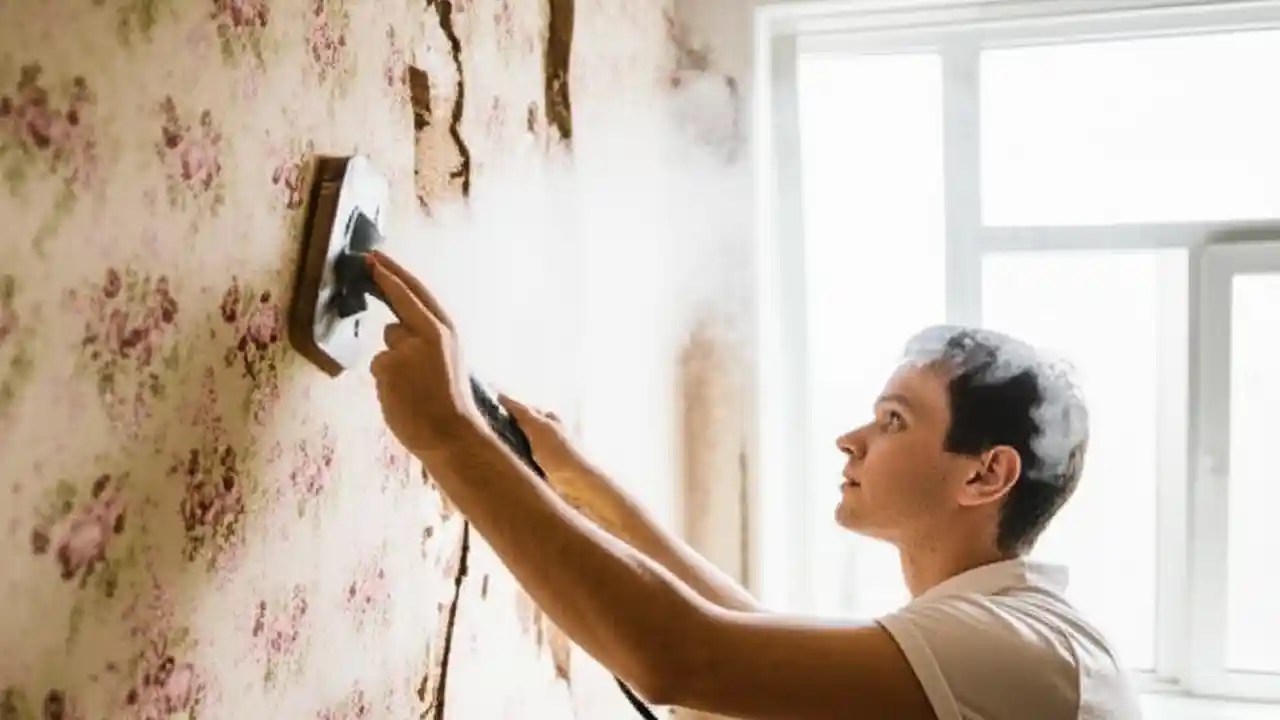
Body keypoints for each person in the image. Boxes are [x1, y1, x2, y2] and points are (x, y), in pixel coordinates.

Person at [365, 250, 1143, 719]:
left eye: (895, 421)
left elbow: (685, 656)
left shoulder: (1019, 650)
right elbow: (747, 632)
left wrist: (449, 437)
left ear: (986, 472)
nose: (852, 438)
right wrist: (587, 483)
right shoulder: (989, 631)